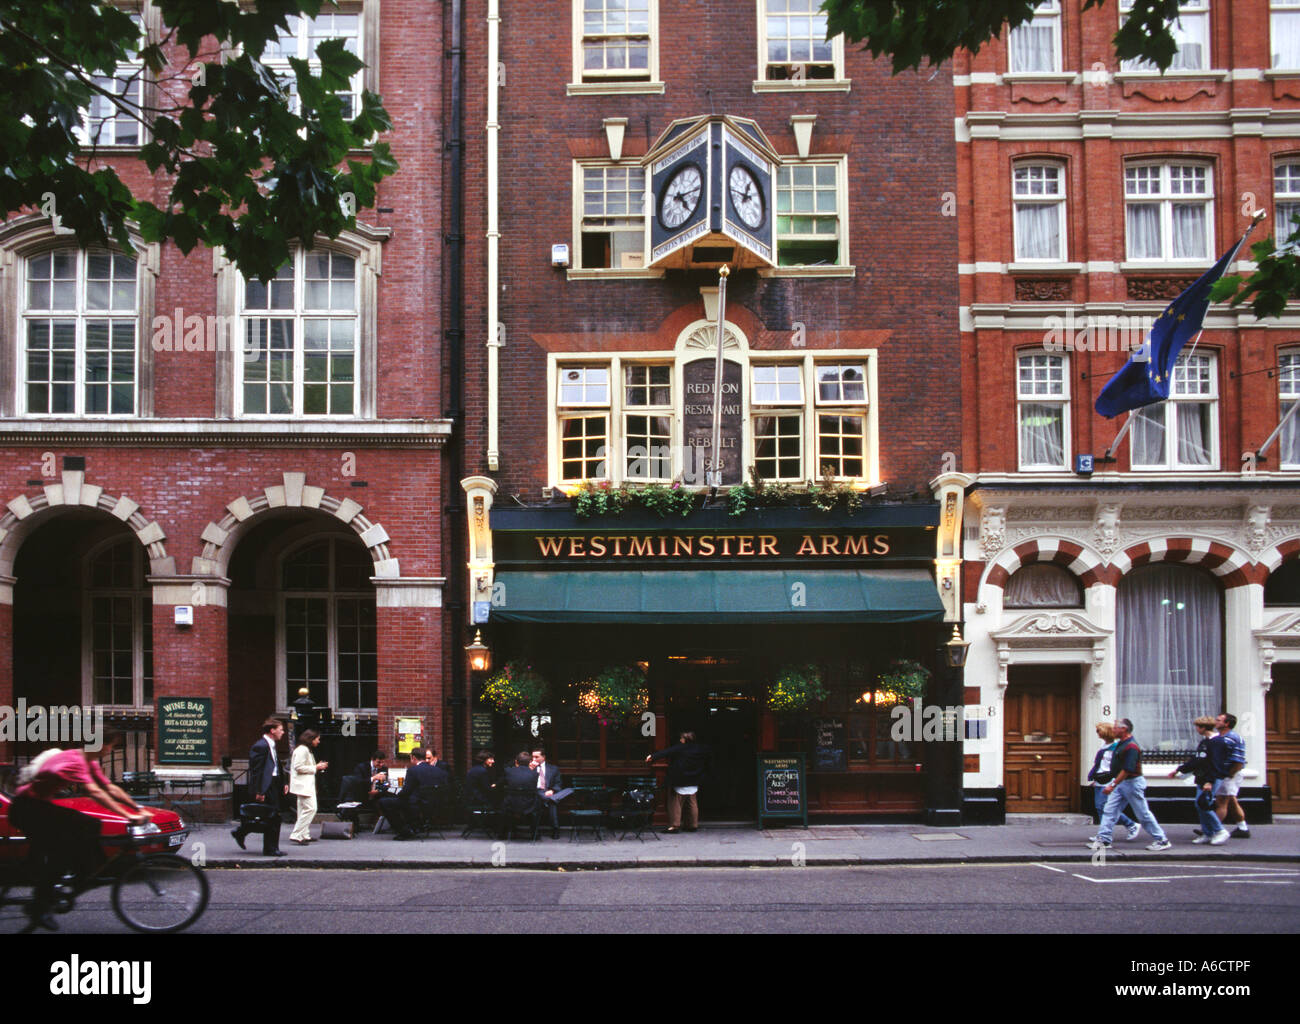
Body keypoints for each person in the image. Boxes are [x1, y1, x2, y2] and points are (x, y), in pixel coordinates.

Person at [10, 732, 154, 930]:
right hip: (27, 808)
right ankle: (40, 906)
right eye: (110, 745)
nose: (111, 750)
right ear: (101, 745)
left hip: (37, 806)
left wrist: (136, 808)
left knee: (90, 824)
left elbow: (110, 788)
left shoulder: (89, 762)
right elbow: (95, 792)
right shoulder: (75, 761)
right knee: (61, 852)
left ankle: (85, 871)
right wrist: (127, 816)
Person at [1088, 718, 1171, 852]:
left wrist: (1113, 785)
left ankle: (1162, 839)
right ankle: (1104, 839)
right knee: (1109, 810)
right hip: (1121, 783)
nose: (1113, 730)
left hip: (1132, 783)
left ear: (1124, 729)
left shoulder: (1131, 746)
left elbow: (1128, 769)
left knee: (1142, 813)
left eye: (1115, 728)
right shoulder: (1121, 743)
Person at [1168, 716, 1228, 845]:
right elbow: (1197, 760)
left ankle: (1220, 830)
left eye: (1197, 727)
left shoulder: (1217, 742)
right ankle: (1208, 833)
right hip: (1202, 777)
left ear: (1203, 727)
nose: (1196, 729)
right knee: (1200, 804)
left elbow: (1215, 763)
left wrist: (1209, 781)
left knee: (1203, 804)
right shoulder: (1205, 742)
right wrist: (1179, 769)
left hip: (1211, 778)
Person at [233, 718, 288, 857]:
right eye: (281, 729)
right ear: (272, 730)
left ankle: (242, 832)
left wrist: (283, 783)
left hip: (274, 784)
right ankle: (270, 849)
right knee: (272, 817)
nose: (283, 732)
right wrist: (259, 790)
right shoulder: (261, 746)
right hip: (266, 786)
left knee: (273, 816)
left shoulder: (271, 745)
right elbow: (256, 771)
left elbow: (276, 767)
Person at [646, 731, 712, 833]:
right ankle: (692, 825)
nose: (680, 740)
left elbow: (667, 752)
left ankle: (674, 825)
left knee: (675, 803)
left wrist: (652, 756)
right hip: (694, 778)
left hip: (679, 779)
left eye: (681, 738)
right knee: (692, 803)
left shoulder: (681, 747)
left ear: (684, 740)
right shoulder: (700, 748)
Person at [1087, 722, 1140, 841]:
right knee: (1102, 807)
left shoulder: (1114, 748)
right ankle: (1106, 833)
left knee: (1105, 807)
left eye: (1099, 731)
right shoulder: (1105, 746)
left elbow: (1112, 767)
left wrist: (1113, 782)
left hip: (1107, 780)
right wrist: (1096, 779)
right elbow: (1100, 765)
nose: (1097, 733)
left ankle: (1127, 826)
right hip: (1100, 780)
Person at [289, 729, 329, 845]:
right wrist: (316, 767)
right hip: (303, 785)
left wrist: (317, 766)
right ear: (311, 739)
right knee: (311, 809)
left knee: (303, 810)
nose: (318, 741)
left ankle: (304, 834)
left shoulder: (306, 750)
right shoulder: (303, 750)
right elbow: (298, 767)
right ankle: (296, 834)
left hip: (303, 785)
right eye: (317, 739)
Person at [1213, 712, 1250, 839]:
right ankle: (1243, 828)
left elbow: (1239, 761)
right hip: (1225, 773)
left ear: (1226, 723)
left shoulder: (1234, 738)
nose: (1215, 722)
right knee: (1232, 801)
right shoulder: (1220, 737)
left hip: (1229, 774)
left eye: (1218, 720)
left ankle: (1213, 830)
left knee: (1221, 801)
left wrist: (1228, 775)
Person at [499, 751, 540, 838]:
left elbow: (503, 783)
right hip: (529, 805)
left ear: (516, 762)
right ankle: (535, 834)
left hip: (511, 805)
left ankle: (502, 833)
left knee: (502, 802)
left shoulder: (508, 771)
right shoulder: (534, 774)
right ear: (530, 762)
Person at [531, 747, 564, 838]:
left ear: (543, 757)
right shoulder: (530, 767)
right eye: (532, 757)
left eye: (536, 757)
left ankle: (555, 829)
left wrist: (552, 790)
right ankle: (534, 830)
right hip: (534, 792)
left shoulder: (553, 769)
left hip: (547, 792)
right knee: (544, 800)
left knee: (552, 801)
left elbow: (558, 783)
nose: (534, 759)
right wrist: (530, 769)